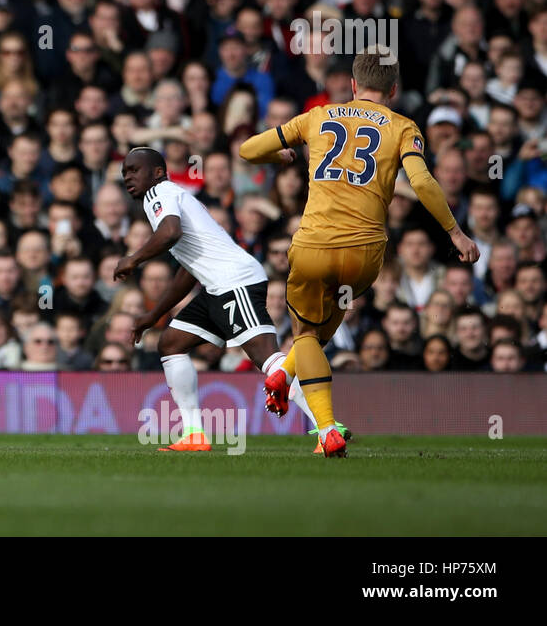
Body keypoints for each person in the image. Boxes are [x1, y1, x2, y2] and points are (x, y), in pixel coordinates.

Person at [240, 46, 479, 457]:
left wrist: (279, 154)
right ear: (394, 89)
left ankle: (326, 429)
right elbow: (421, 183)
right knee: (318, 335)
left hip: (314, 244)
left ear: (352, 85)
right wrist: (455, 233)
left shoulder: (317, 116)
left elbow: (247, 150)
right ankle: (283, 376)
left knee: (307, 334)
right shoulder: (404, 126)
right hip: (367, 253)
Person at [115, 147, 319, 453]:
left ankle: (328, 426)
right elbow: (189, 268)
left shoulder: (160, 193)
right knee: (171, 344)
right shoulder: (164, 199)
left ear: (157, 172)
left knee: (266, 358)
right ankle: (194, 435)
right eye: (124, 173)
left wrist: (134, 258)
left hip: (235, 281)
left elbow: (170, 233)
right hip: (216, 286)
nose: (128, 177)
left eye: (134, 170)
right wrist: (153, 314)